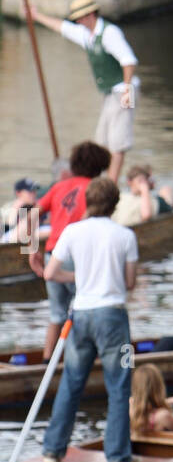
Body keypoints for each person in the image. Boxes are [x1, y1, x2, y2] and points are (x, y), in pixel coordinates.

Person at [41, 176, 138, 462]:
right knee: (120, 386)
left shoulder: (72, 231)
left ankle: (52, 451)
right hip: (113, 316)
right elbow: (130, 283)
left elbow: (49, 273)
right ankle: (117, 456)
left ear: (87, 202)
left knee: (71, 382)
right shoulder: (125, 236)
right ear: (115, 204)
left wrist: (78, 279)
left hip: (80, 316)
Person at [27, 0, 139, 184]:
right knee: (101, 141)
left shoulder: (110, 33)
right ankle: (97, 182)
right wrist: (36, 16)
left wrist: (127, 92)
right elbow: (62, 28)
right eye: (77, 19)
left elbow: (129, 61)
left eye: (81, 17)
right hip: (109, 93)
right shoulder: (87, 34)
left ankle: (110, 186)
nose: (78, 21)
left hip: (123, 90)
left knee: (117, 143)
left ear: (90, 15)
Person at [29, 141, 112, 360]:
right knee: (85, 310)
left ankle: (47, 362)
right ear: (99, 167)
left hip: (53, 255)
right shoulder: (97, 190)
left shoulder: (59, 186)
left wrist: (31, 250)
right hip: (79, 258)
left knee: (56, 314)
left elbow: (28, 217)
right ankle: (85, 360)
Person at [129, 363, 173, 436]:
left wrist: (170, 400)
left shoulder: (130, 408)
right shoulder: (163, 416)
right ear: (159, 386)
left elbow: (142, 402)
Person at [1, 178, 40, 243]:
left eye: (35, 191)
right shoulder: (7, 209)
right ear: (18, 193)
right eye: (30, 191)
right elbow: (9, 228)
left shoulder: (39, 206)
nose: (34, 194)